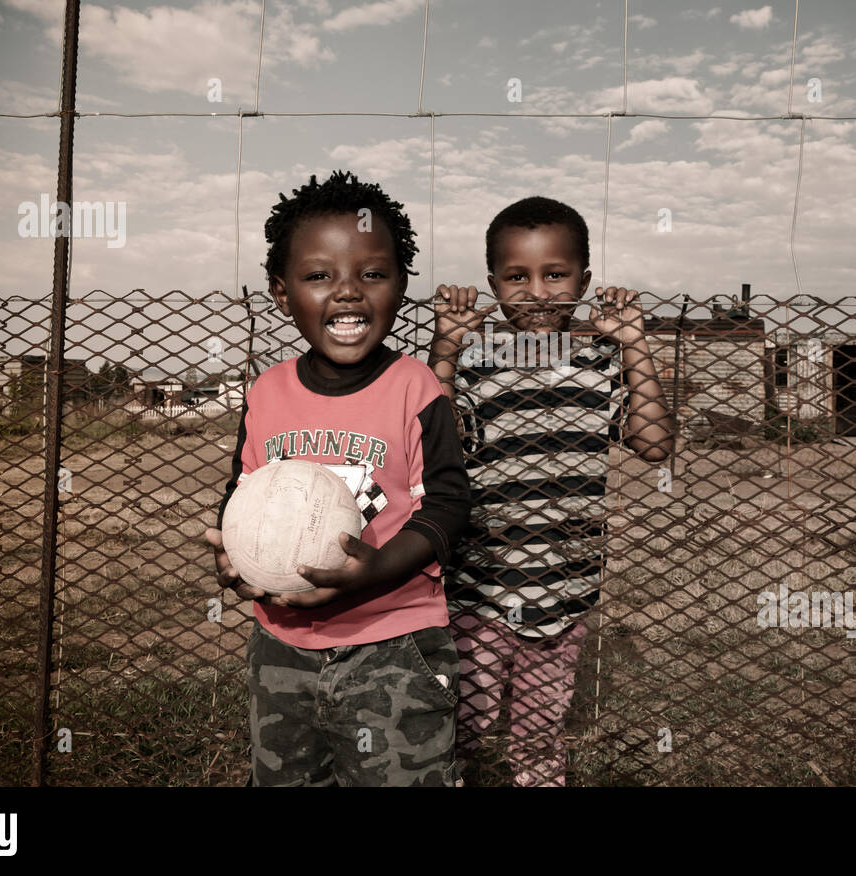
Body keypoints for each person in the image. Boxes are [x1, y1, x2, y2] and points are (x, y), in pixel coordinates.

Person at [204, 170, 470, 786]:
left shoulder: (414, 388)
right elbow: (240, 495)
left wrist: (376, 568)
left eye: (372, 274)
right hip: (281, 648)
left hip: (395, 647)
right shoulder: (267, 393)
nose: (347, 293)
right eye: (319, 275)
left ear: (401, 285)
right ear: (281, 290)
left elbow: (450, 504)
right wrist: (233, 555)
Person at [429, 195, 674, 786]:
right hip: (476, 590)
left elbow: (655, 443)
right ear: (493, 284)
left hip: (563, 595)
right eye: (517, 277)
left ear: (584, 281)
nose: (537, 292)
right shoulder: (477, 364)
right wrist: (447, 346)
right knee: (463, 723)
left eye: (555, 274)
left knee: (539, 735)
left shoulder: (597, 363)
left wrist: (634, 343)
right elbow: (429, 444)